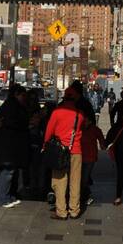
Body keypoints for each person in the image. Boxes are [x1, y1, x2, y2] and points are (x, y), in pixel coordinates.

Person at [43, 86, 85, 220]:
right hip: (76, 151)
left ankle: (61, 211)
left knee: (59, 181)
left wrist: (45, 144)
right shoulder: (80, 114)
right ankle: (74, 210)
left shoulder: (57, 112)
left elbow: (49, 131)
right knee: (75, 181)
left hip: (60, 151)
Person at [0, 87, 30, 208]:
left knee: (9, 170)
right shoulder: (12, 107)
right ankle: (2, 199)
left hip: (9, 143)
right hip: (8, 144)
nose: (24, 98)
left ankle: (8, 196)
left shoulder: (10, 105)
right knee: (7, 170)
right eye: (22, 95)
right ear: (16, 94)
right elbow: (14, 123)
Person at [80, 115, 106, 207]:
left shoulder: (95, 129)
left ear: (90, 121)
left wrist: (103, 145)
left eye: (86, 120)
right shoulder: (80, 128)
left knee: (84, 178)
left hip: (90, 158)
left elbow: (101, 138)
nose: (85, 122)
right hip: (79, 157)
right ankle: (84, 195)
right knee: (82, 178)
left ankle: (85, 196)